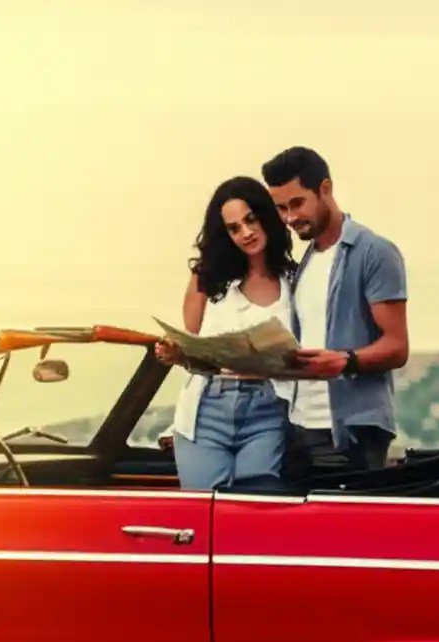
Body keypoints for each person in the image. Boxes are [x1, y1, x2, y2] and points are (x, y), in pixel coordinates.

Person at [261, 146, 409, 476]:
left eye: (297, 203)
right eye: (281, 208)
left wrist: (345, 361)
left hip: (350, 432)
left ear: (325, 189)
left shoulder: (375, 252)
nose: (289, 217)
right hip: (299, 428)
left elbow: (397, 346)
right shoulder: (307, 261)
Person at [153, 176, 299, 490]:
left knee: (251, 514)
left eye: (251, 220)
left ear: (266, 216)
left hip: (268, 409)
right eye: (234, 228)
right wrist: (174, 353)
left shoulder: (293, 279)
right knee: (204, 515)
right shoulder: (207, 277)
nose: (246, 233)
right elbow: (191, 341)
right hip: (207, 408)